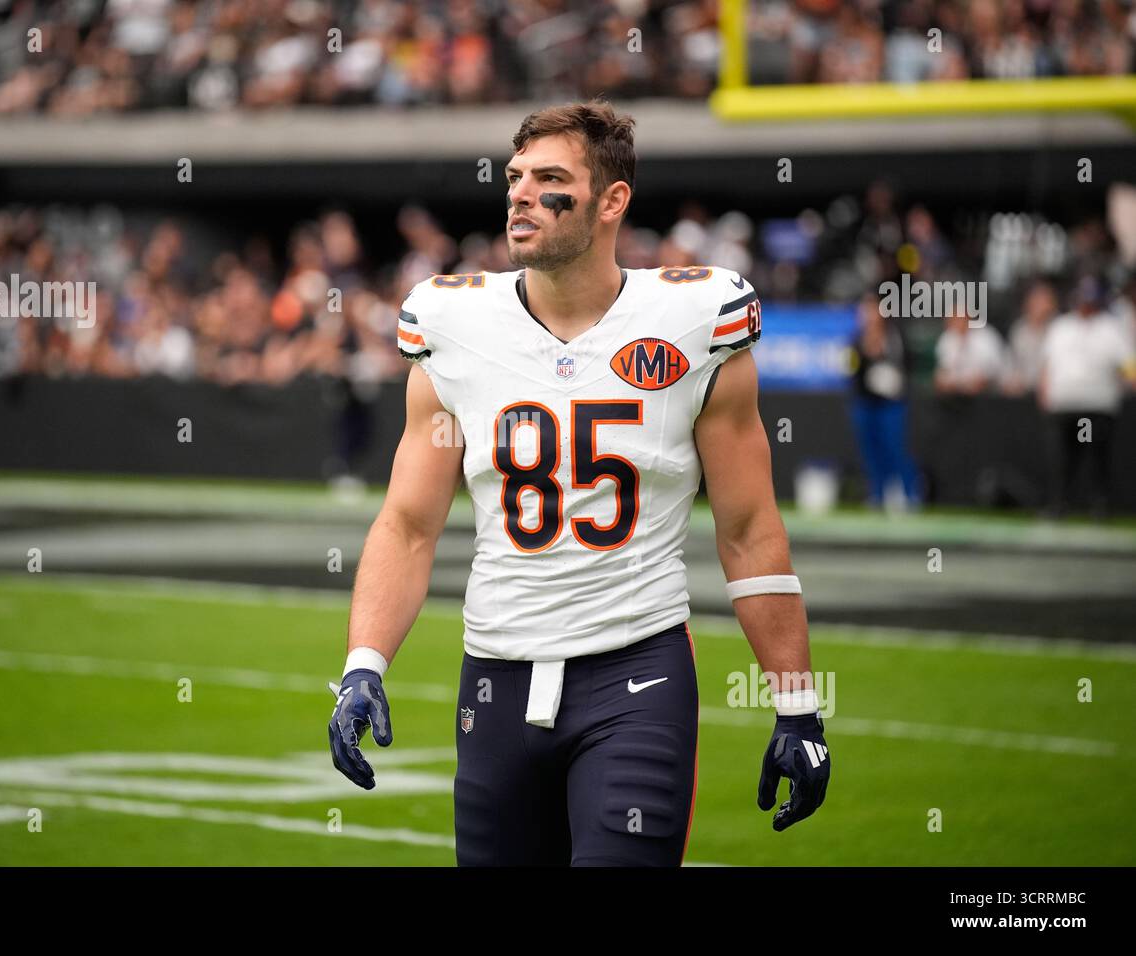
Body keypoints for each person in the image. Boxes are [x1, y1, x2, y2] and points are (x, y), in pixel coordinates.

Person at [326, 101, 830, 866]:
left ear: (610, 201)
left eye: (550, 180)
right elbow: (407, 524)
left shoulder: (694, 316)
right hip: (493, 678)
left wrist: (796, 705)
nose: (520, 194)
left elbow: (748, 527)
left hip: (636, 672)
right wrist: (363, 665)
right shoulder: (451, 322)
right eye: (516, 177)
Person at [1039, 276, 1136, 518]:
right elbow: (1048, 364)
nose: (1086, 304)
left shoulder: (1110, 328)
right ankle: (1058, 504)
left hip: (1095, 406)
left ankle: (1098, 505)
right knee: (1060, 459)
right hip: (1063, 405)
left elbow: (1128, 366)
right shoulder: (1061, 326)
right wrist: (1045, 392)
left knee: (1095, 457)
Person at [847, 294, 920, 509]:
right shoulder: (856, 340)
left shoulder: (894, 336)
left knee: (896, 448)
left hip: (891, 405)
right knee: (871, 451)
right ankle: (877, 494)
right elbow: (851, 371)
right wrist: (866, 353)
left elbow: (907, 365)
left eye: (872, 310)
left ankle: (909, 494)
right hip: (865, 404)